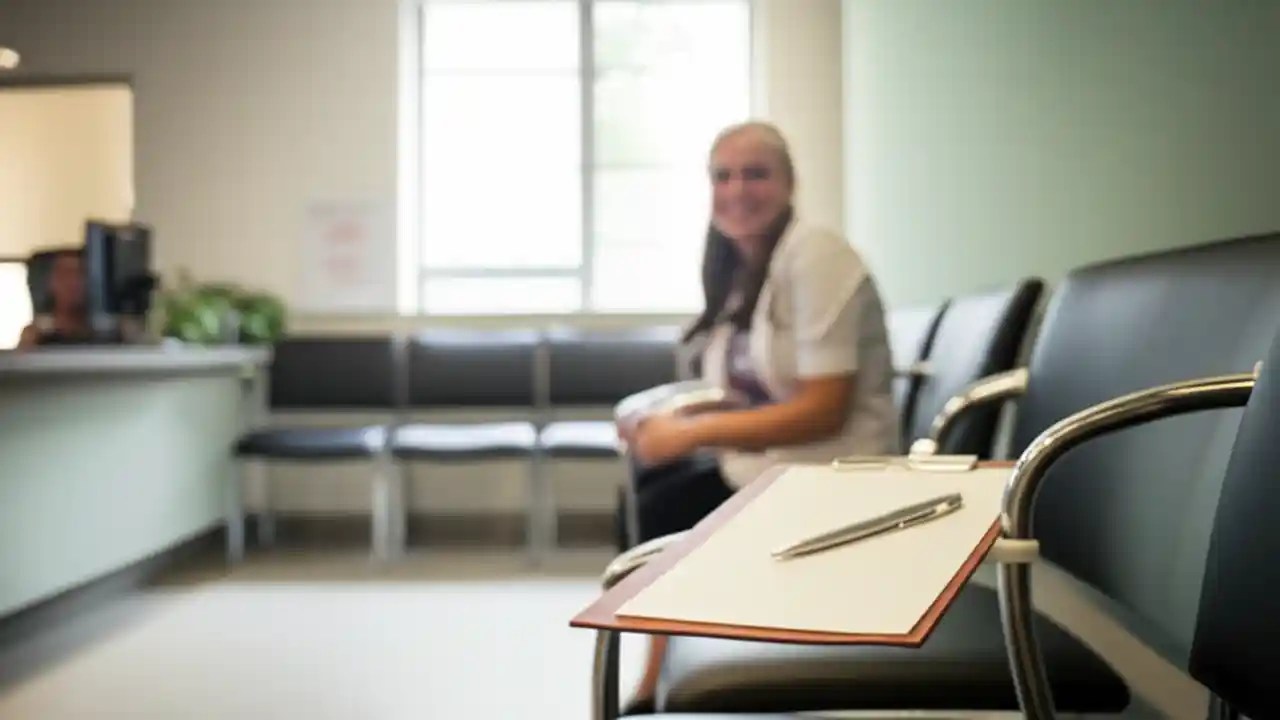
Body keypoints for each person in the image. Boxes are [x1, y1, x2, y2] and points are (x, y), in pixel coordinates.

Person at [617, 121, 900, 712]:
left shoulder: (816, 254)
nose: (737, 189)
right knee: (656, 485)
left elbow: (823, 409)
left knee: (664, 500)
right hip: (783, 466)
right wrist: (666, 414)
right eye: (723, 176)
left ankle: (667, 683)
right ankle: (662, 675)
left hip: (834, 473)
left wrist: (689, 431)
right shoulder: (752, 270)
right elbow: (750, 391)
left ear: (790, 183)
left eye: (756, 173)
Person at [17, 249, 92, 349]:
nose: (73, 281)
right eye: (65, 273)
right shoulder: (37, 334)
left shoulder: (107, 331)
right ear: (50, 282)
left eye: (80, 273)